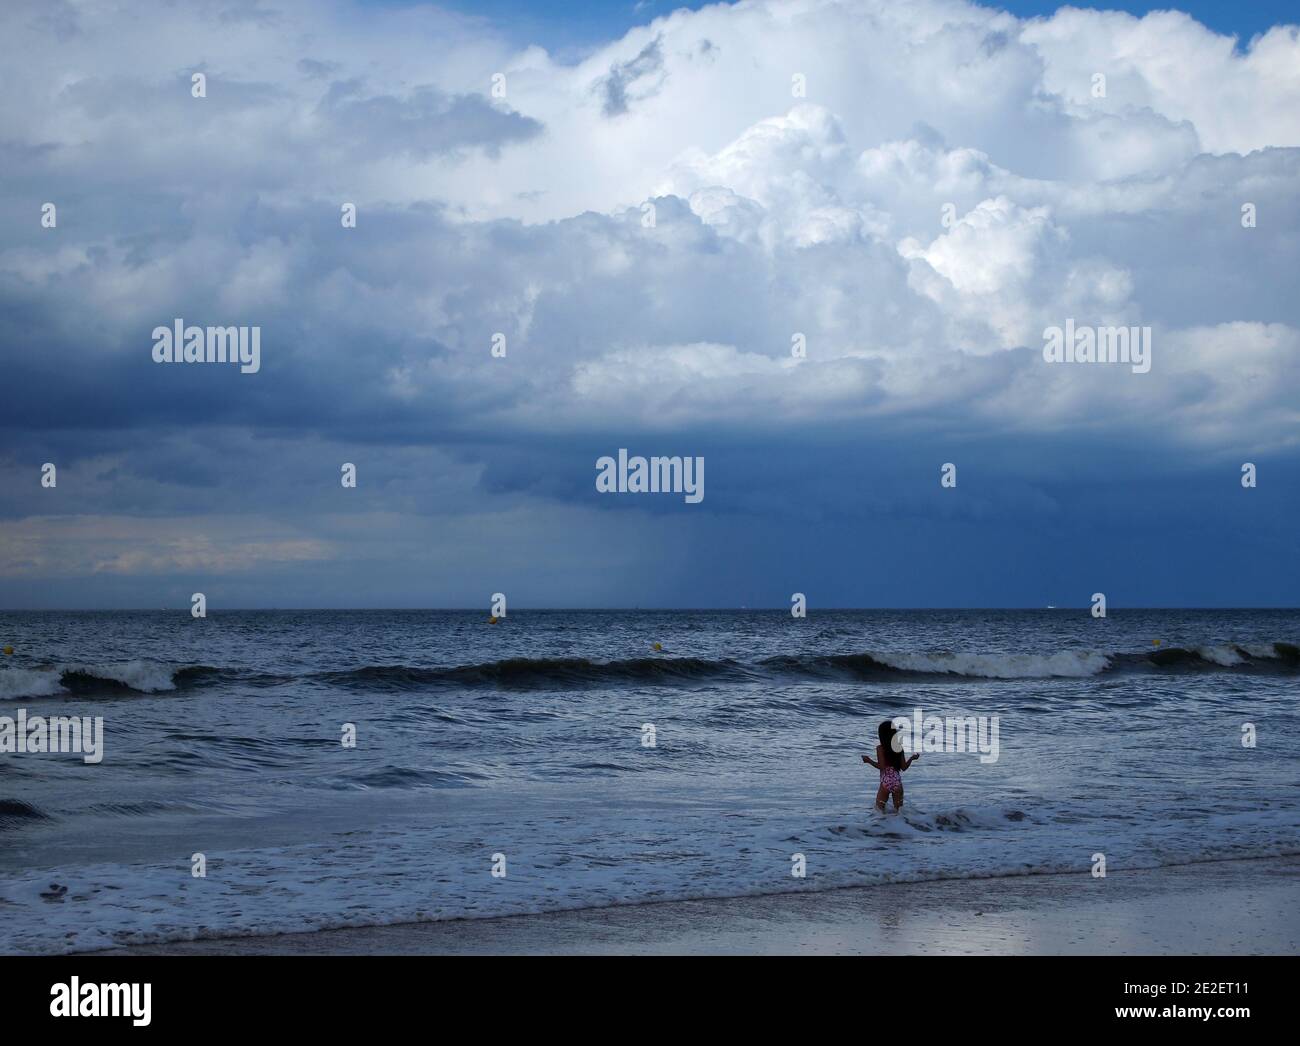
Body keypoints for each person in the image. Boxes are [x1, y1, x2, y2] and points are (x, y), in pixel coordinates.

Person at [861, 719, 919, 812]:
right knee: (899, 813)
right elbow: (903, 768)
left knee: (879, 812)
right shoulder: (899, 747)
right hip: (897, 782)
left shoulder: (880, 748)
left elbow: (882, 767)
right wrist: (912, 758)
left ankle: (884, 826)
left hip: (885, 783)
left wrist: (869, 760)